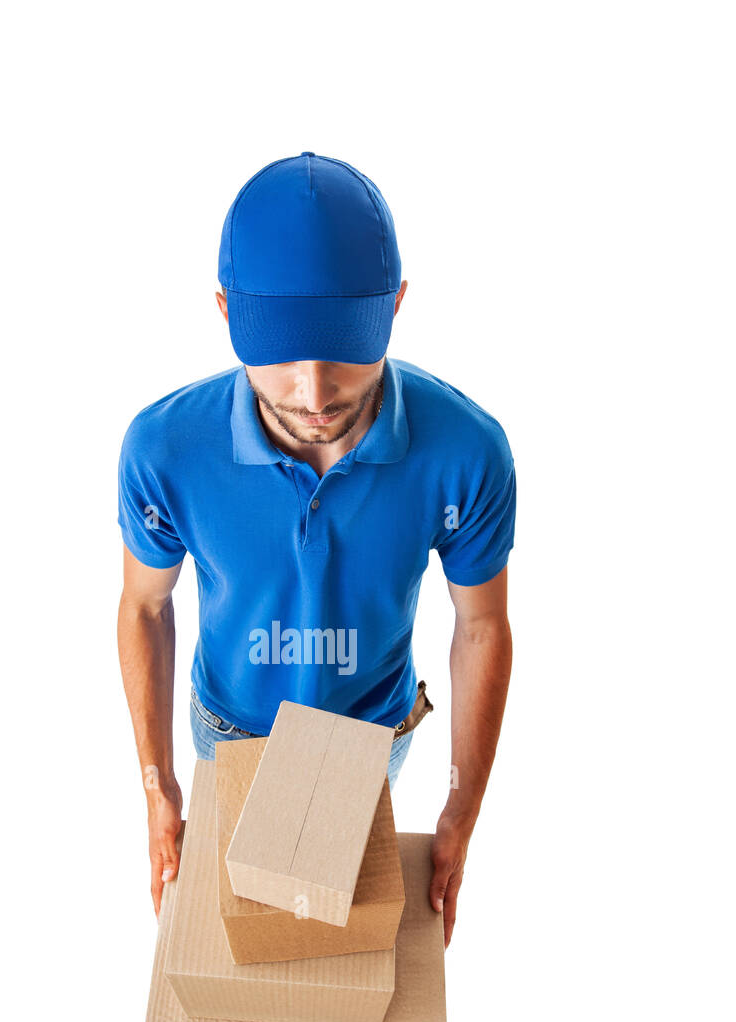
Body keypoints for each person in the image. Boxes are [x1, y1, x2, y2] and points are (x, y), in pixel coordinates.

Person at [117, 153, 515, 946]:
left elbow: (481, 627)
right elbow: (145, 605)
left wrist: (460, 810)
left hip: (373, 731)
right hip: (227, 724)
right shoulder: (162, 450)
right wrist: (157, 783)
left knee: (332, 935)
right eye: (282, 350)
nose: (314, 389)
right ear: (227, 312)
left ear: (396, 305)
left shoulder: (467, 452)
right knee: (241, 938)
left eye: (342, 345)